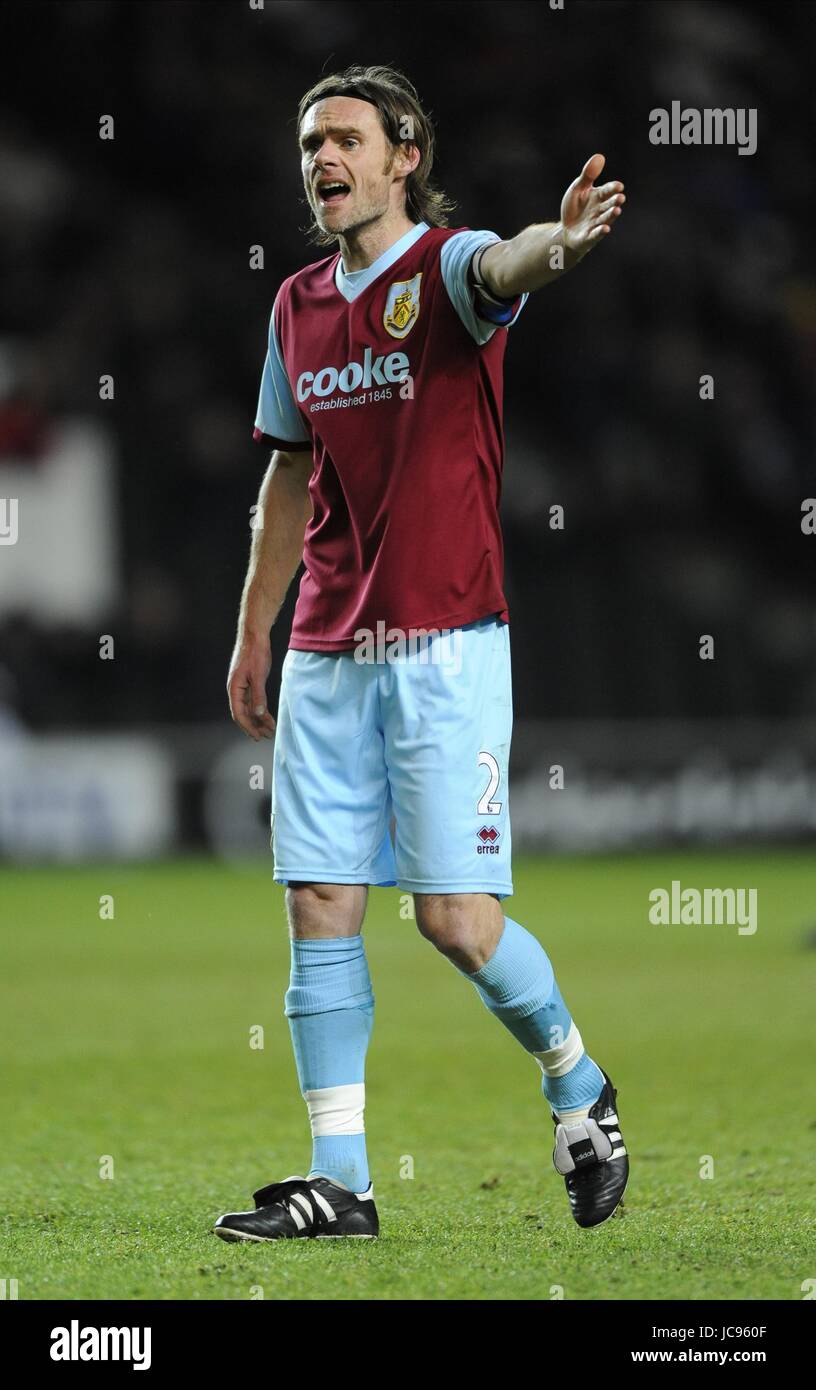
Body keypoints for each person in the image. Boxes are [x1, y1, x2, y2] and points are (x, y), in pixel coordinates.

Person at [214, 64, 628, 1243]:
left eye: (343, 137)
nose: (321, 159)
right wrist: (255, 632)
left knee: (454, 920)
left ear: (405, 156)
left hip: (445, 643)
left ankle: (577, 1084)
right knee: (320, 901)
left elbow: (513, 264)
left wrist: (566, 240)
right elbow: (288, 475)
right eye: (308, 142)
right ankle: (338, 1180)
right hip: (326, 648)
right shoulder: (296, 304)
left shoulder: (446, 267)